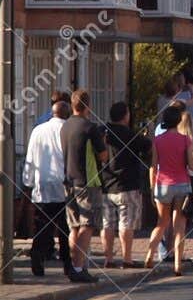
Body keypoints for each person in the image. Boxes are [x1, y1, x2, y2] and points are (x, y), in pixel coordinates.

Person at [145, 104, 193, 276]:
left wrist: (152, 188)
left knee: (161, 223)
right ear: (178, 121)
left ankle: (149, 255)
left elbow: (153, 166)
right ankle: (177, 263)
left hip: (162, 184)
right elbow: (192, 166)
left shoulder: (157, 140)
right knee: (179, 226)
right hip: (182, 183)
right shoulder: (186, 139)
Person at [59, 90, 108, 281]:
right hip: (88, 181)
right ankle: (79, 268)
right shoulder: (90, 128)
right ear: (88, 106)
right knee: (88, 224)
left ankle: (74, 266)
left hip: (69, 180)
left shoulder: (65, 127)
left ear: (72, 105)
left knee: (74, 226)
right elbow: (103, 156)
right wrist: (103, 142)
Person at [23, 98, 70, 278]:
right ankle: (68, 263)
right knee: (65, 228)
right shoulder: (67, 129)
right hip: (63, 184)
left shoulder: (38, 130)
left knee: (42, 226)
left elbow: (30, 157)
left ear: (52, 113)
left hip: (42, 184)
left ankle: (37, 258)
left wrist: (27, 182)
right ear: (66, 114)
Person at [101, 102, 150, 270]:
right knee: (126, 223)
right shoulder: (131, 135)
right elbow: (148, 147)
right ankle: (127, 259)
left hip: (106, 184)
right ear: (125, 116)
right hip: (127, 185)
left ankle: (108, 258)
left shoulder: (103, 132)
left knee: (107, 223)